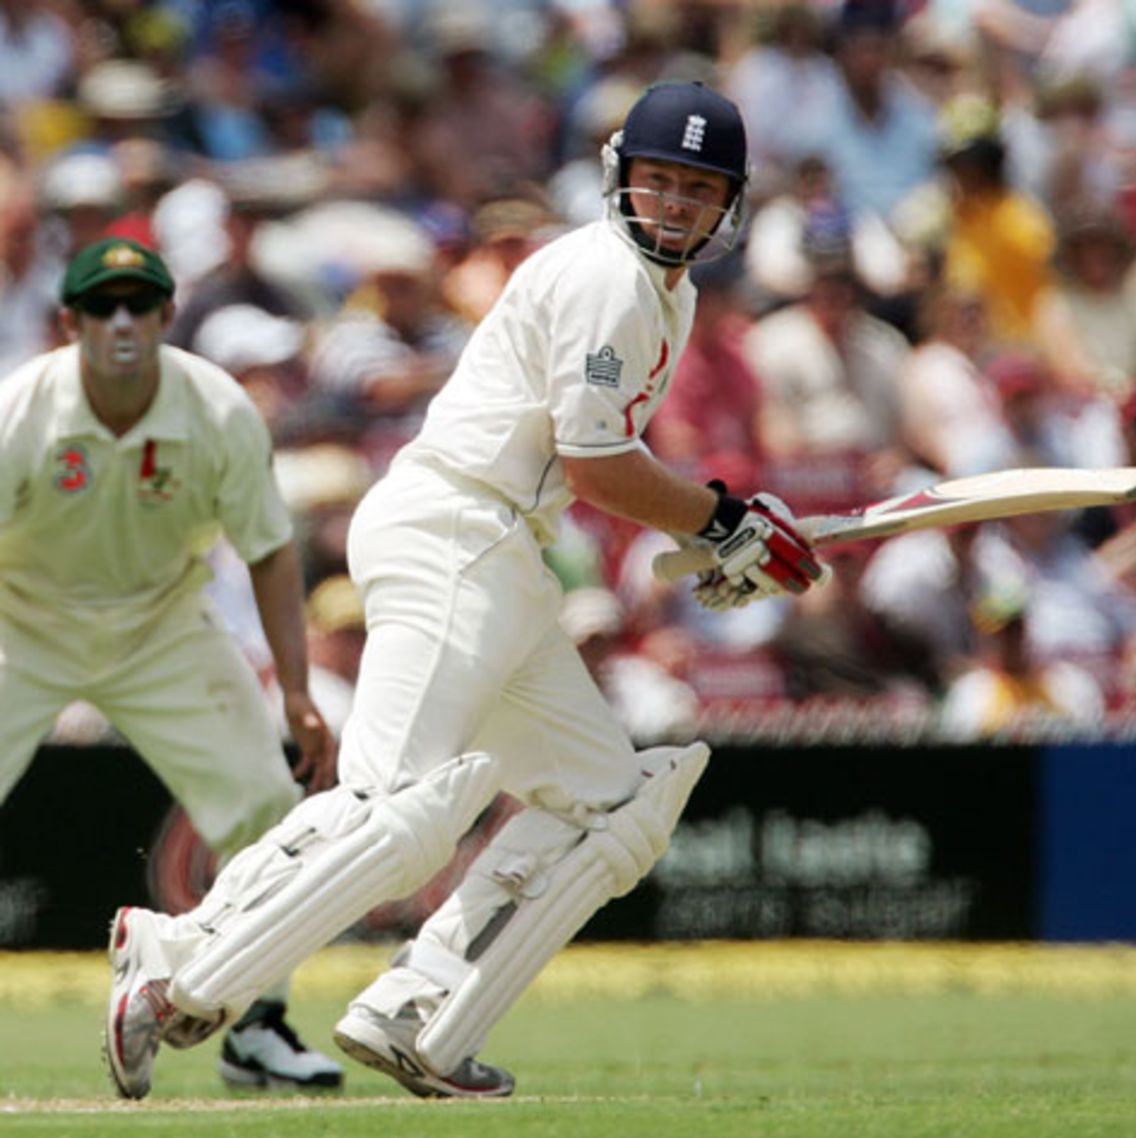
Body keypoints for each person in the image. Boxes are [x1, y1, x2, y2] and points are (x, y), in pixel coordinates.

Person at [102, 81, 825, 1102]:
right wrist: (722, 520)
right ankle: (173, 961)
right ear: (622, 175)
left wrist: (722, 532)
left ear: (729, 205)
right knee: (399, 813)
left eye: (696, 189)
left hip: (503, 554)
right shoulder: (608, 275)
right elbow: (598, 468)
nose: (672, 204)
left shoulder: (669, 291)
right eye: (658, 179)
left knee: (611, 802)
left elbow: (604, 464)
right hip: (457, 531)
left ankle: (424, 1013)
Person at [0, 236, 343, 1090]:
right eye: (103, 307)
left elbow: (267, 550)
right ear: (69, 321)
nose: (122, 322)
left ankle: (254, 1027)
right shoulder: (22, 407)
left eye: (139, 306)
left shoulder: (217, 409)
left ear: (164, 318)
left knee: (267, 807)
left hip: (162, 626)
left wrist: (297, 689)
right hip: (20, 624)